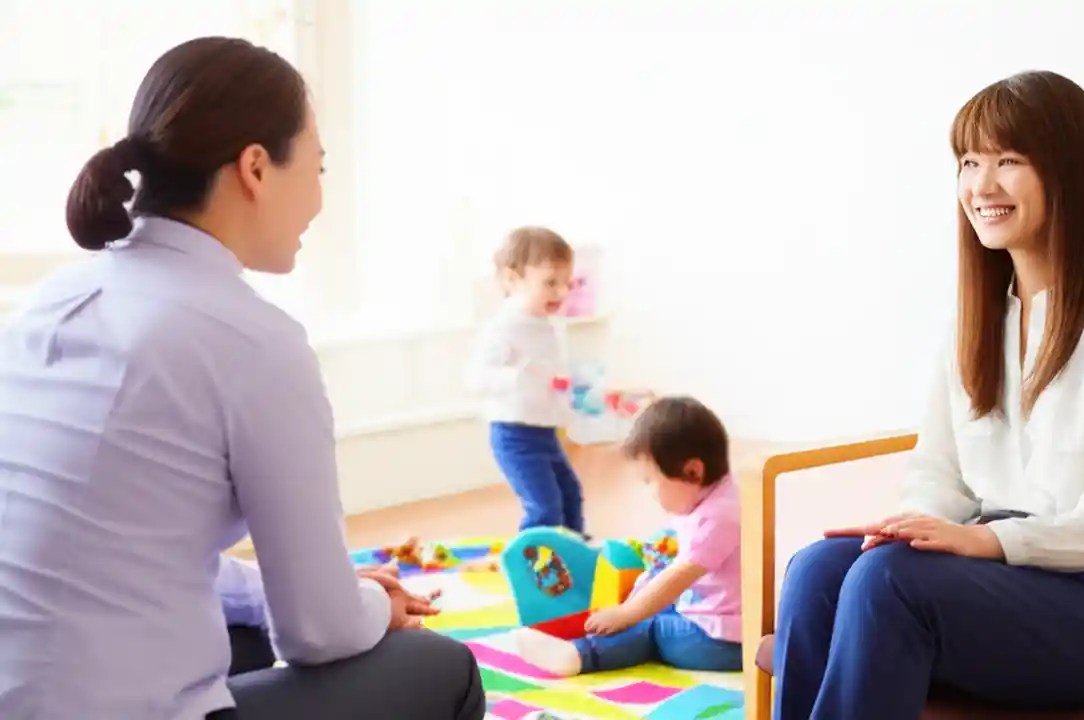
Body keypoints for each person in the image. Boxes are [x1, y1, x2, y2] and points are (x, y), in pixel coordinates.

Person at [0, 37, 483, 720]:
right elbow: (319, 632)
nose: (318, 199)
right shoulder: (253, 342)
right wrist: (367, 600)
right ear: (256, 166)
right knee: (442, 669)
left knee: (246, 633)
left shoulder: (50, 301)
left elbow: (118, 552)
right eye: (317, 167)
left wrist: (306, 591)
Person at [771, 70, 1084, 719]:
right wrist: (912, 529)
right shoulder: (977, 320)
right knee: (819, 572)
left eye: (1009, 161)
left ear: (1065, 173)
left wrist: (987, 544)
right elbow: (939, 478)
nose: (981, 185)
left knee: (889, 583)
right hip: (1027, 581)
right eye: (969, 161)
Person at [515, 396, 743, 676]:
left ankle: (580, 655)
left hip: (720, 641)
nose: (649, 492)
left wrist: (627, 613)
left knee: (648, 624)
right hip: (726, 625)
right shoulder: (722, 495)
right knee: (652, 604)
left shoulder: (716, 518)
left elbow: (677, 577)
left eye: (650, 480)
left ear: (693, 471)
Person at [465, 227, 586, 535]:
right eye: (550, 283)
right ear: (512, 279)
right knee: (544, 506)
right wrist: (517, 377)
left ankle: (576, 557)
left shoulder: (545, 326)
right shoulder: (502, 327)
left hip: (545, 432)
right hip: (514, 435)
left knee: (570, 496)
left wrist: (573, 393)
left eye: (565, 283)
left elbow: (551, 380)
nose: (560, 292)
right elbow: (476, 378)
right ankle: (535, 566)